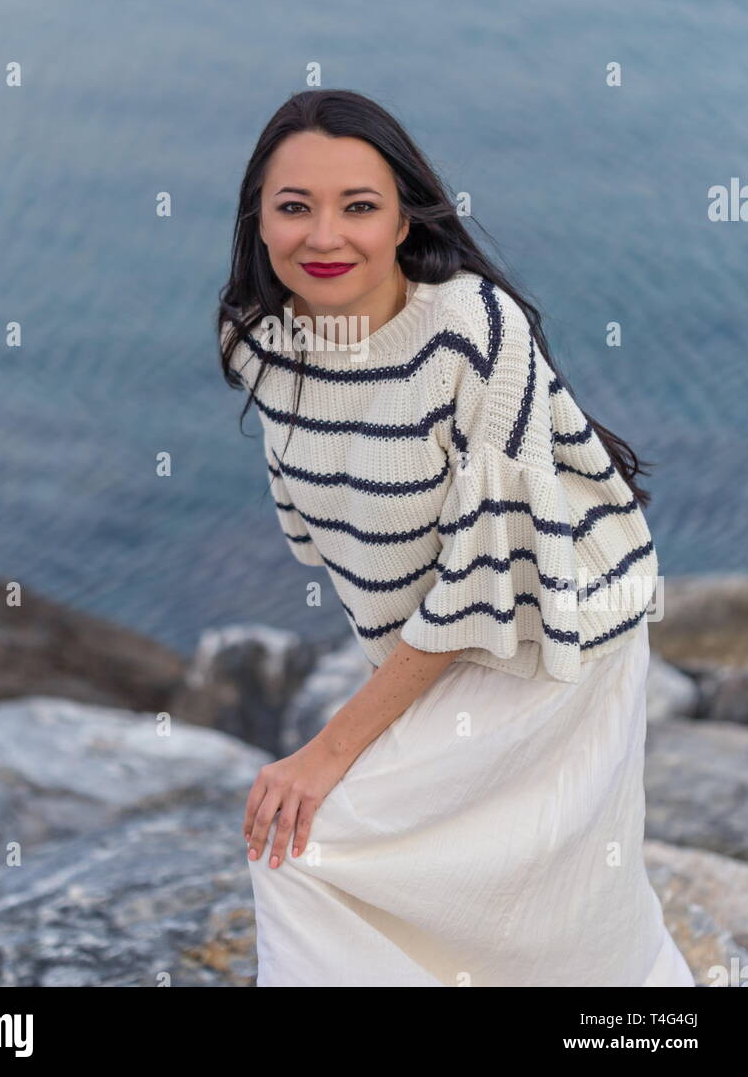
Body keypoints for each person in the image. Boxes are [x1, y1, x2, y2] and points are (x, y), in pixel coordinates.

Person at [217, 88, 695, 988]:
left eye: (360, 207)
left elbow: (484, 576)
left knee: (319, 855)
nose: (325, 237)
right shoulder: (260, 344)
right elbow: (332, 541)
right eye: (294, 207)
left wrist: (330, 749)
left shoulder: (472, 334)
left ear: (404, 222)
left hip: (559, 637)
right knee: (392, 871)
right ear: (259, 220)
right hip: (434, 636)